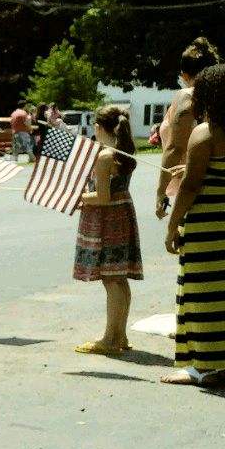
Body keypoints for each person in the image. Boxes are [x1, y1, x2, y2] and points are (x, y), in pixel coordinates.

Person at [163, 64, 225, 388]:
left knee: (200, 292)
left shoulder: (205, 132)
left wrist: (171, 227)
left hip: (208, 221)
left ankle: (203, 366)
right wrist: (211, 171)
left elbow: (190, 187)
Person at [72, 104, 144, 356]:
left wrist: (77, 197)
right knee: (119, 279)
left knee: (111, 279)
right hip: (123, 212)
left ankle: (110, 339)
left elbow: (102, 197)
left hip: (109, 218)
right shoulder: (124, 151)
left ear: (99, 127)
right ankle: (119, 335)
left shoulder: (105, 156)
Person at [155, 37, 219, 220]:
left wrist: (161, 191)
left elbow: (175, 148)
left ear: (184, 75)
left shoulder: (188, 96)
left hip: (195, 192)